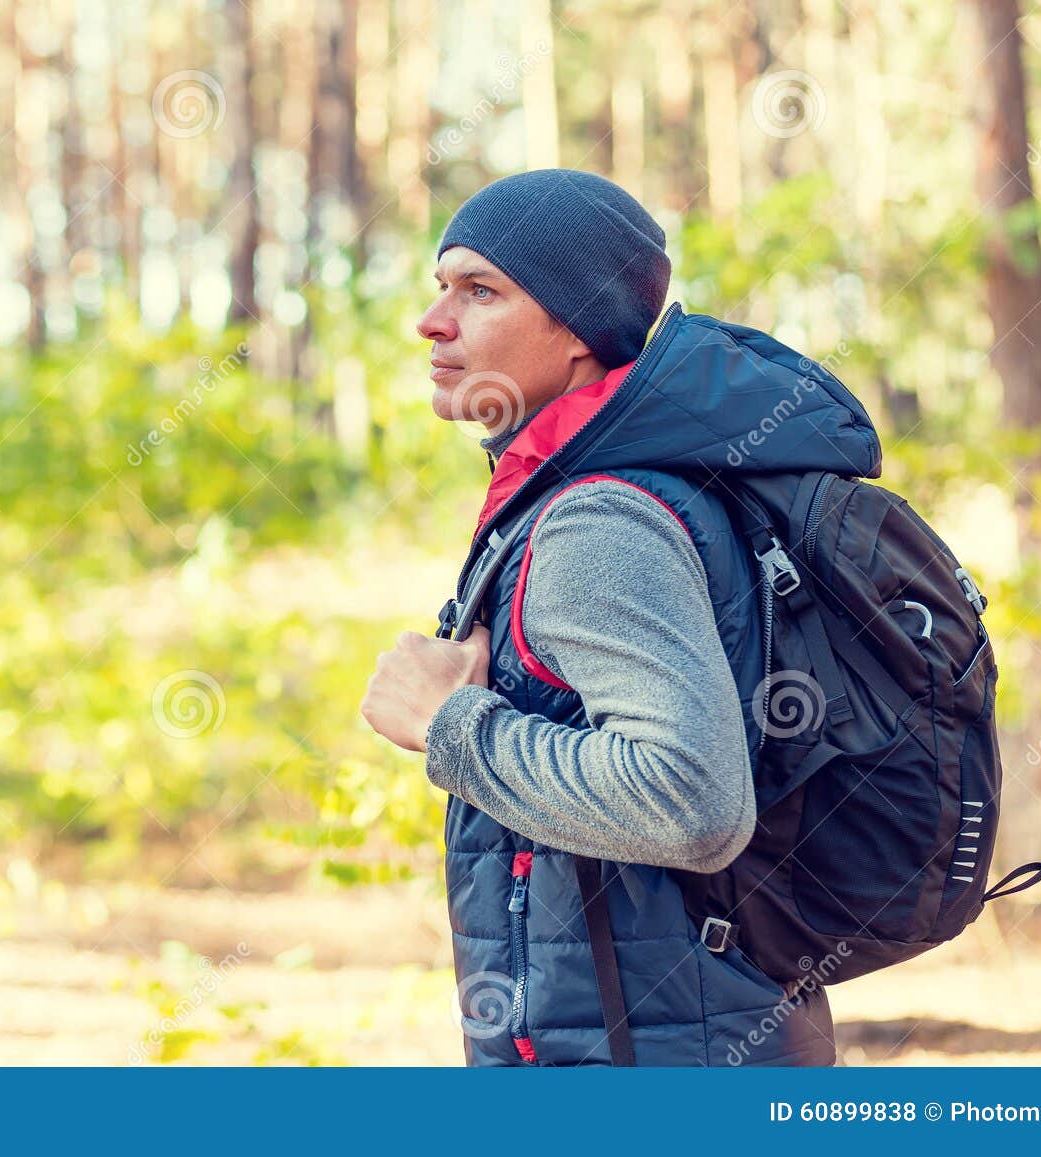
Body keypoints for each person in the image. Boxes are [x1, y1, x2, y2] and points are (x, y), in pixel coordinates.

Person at [360, 168, 867, 1066]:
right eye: (443, 287)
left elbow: (692, 803)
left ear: (581, 334)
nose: (433, 322)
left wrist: (451, 724)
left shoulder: (601, 518)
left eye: (481, 290)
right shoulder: (620, 489)